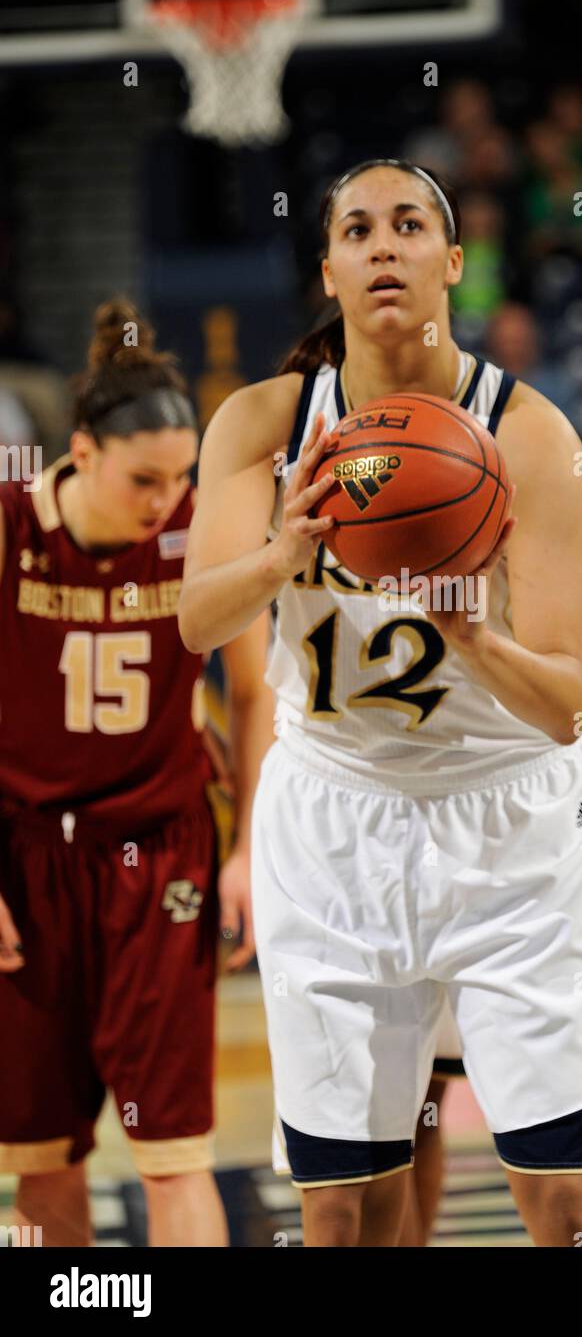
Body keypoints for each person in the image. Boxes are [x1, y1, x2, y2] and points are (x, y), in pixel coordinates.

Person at [179, 159, 582, 1248]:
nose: (385, 245)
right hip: (332, 821)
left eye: (411, 225)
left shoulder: (532, 440)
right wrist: (282, 553)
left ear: (453, 262)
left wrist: (474, 629)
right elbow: (195, 621)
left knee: (564, 1197)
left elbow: (567, 704)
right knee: (341, 1211)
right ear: (329, 268)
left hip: (512, 824)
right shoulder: (260, 423)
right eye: (359, 229)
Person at [0, 299, 273, 1247]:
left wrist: (249, 851)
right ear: (79, 453)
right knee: (41, 1164)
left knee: (175, 1153)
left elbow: (253, 695)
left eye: (183, 477)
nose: (167, 500)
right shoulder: (8, 528)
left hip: (161, 858)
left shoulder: (203, 534)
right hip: (28, 863)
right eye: (144, 479)